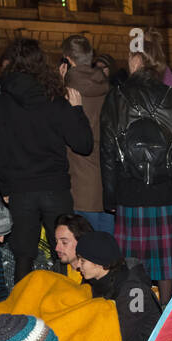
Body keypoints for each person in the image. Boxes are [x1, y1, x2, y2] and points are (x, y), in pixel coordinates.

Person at [0, 39, 91, 282]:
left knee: (23, 255)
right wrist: (77, 110)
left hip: (19, 189)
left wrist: (3, 186)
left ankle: (23, 309)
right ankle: (66, 303)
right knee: (64, 251)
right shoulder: (54, 100)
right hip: (54, 186)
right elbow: (83, 144)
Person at [99, 28, 172, 307]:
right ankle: (164, 312)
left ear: (137, 60)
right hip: (166, 191)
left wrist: (110, 197)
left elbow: (107, 154)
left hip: (129, 191)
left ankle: (136, 311)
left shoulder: (115, 98)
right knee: (167, 263)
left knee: (131, 261)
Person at [72, 231, 161, 341]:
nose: (77, 265)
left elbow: (121, 336)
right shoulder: (96, 282)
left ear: (99, 263)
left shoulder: (134, 290)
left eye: (83, 261)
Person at [60, 35, 113, 235]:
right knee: (107, 250)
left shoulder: (66, 91)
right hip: (106, 183)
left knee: (84, 252)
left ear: (67, 59)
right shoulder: (107, 87)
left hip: (79, 183)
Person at [51, 212, 93, 280]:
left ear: (82, 242)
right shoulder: (57, 270)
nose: (57, 248)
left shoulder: (96, 276)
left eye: (64, 242)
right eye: (56, 242)